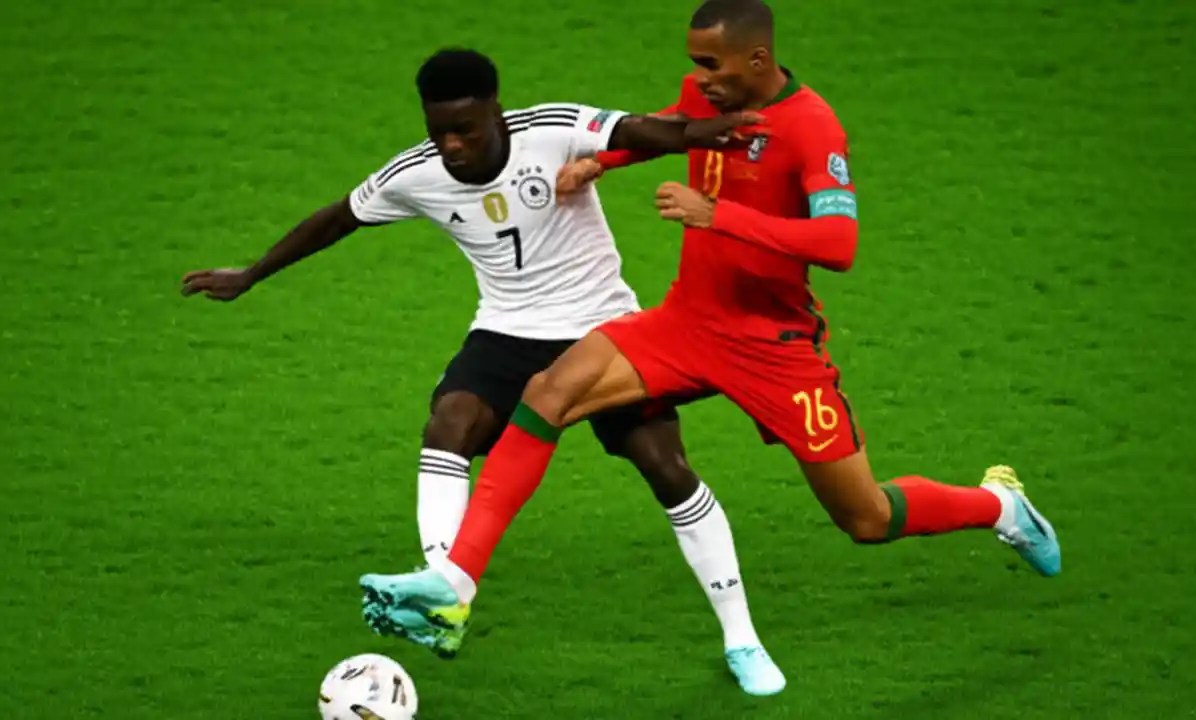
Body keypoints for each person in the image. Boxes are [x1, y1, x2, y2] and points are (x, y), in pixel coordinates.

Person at [360, 0, 1061, 667]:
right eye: (695, 65)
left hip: (775, 349)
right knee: (547, 393)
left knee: (866, 517)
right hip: (687, 323)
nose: (700, 80)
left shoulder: (814, 128)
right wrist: (598, 161)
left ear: (757, 59)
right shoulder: (709, 98)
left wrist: (714, 215)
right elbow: (668, 123)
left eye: (712, 66)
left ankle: (1000, 506)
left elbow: (838, 242)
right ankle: (455, 586)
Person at [181, 48, 787, 695]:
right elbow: (338, 219)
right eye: (438, 129)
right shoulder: (416, 174)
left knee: (666, 467)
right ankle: (447, 599)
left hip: (603, 327)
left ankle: (742, 638)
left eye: (465, 129)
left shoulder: (549, 130)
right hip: (507, 331)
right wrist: (251, 274)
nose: (451, 144)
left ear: (496, 110)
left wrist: (692, 133)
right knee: (450, 423)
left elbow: (635, 130)